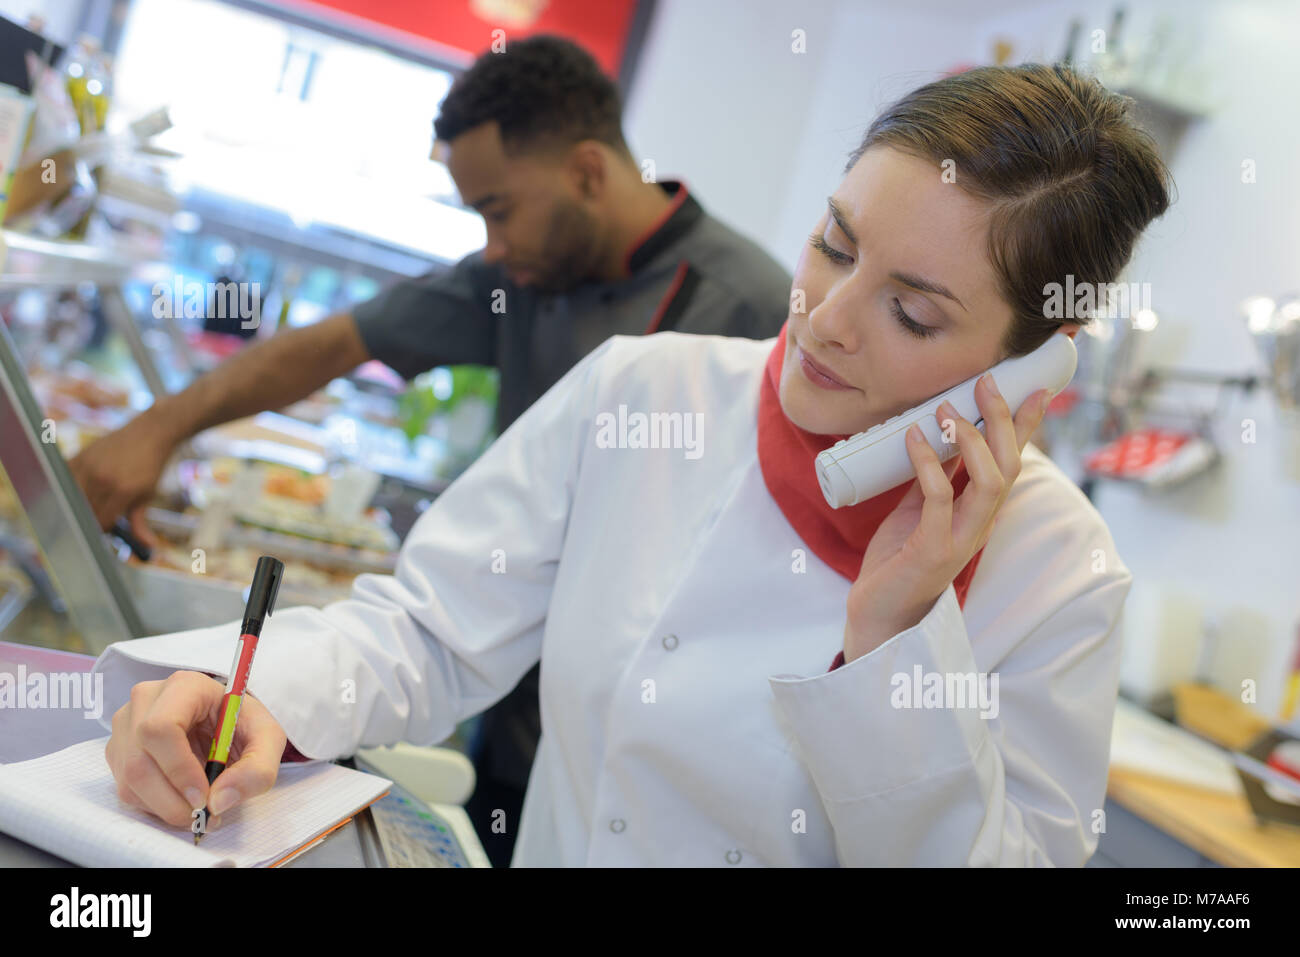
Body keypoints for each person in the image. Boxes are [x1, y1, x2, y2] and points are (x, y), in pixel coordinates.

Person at [97, 62, 1171, 866]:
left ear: (1030, 363)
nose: (826, 320)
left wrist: (896, 639)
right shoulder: (647, 391)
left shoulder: (1055, 572)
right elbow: (425, 630)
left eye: (910, 310)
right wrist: (250, 698)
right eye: (835, 245)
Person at [70, 35, 791, 866]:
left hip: (646, 746)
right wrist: (161, 425)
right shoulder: (524, 272)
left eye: (496, 207)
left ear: (588, 173)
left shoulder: (753, 315)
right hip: (499, 692)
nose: (489, 242)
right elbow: (337, 342)